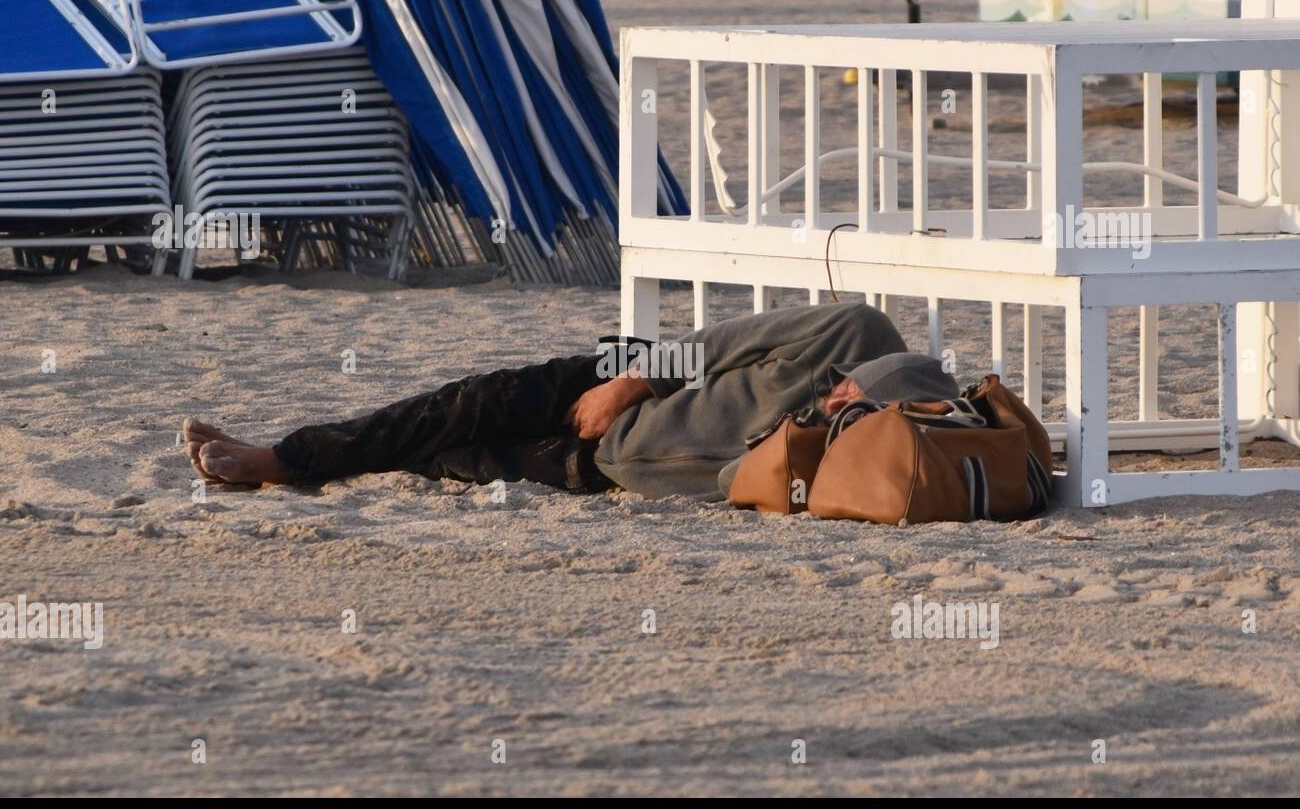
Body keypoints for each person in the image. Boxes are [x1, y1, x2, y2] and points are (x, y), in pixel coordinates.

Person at [182, 301, 958, 500]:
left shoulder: (849, 457)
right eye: (851, 388)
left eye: (856, 405)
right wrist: (631, 381)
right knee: (464, 403)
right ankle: (284, 457)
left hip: (610, 465)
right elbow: (720, 342)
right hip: (634, 374)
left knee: (452, 461)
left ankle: (310, 465)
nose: (841, 400)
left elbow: (733, 482)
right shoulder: (854, 329)